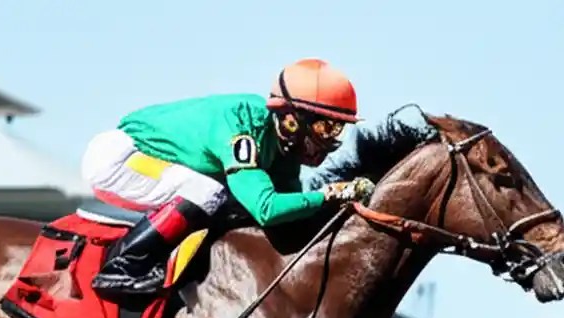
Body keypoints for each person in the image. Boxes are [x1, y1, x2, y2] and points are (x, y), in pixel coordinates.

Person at [82, 57, 376, 301]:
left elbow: (288, 217)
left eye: (338, 129)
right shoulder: (243, 126)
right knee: (208, 192)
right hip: (121, 158)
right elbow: (267, 208)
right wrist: (328, 195)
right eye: (326, 127)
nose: (331, 139)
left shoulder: (282, 150)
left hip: (155, 164)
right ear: (292, 119)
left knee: (226, 201)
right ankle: (121, 269)